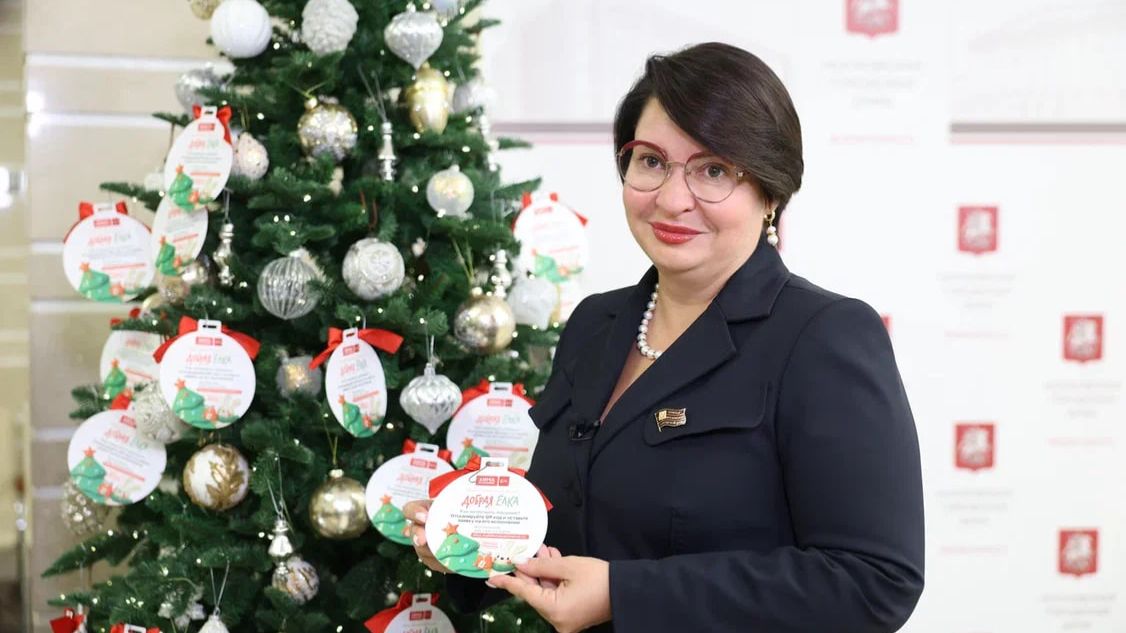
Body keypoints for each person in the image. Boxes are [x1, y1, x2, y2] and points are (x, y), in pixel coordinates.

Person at [404, 42, 924, 633]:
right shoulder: (595, 324)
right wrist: (466, 540)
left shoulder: (822, 337)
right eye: (651, 161)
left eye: (714, 170)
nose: (672, 200)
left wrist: (622, 595)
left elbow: (874, 582)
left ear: (771, 193)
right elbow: (570, 518)